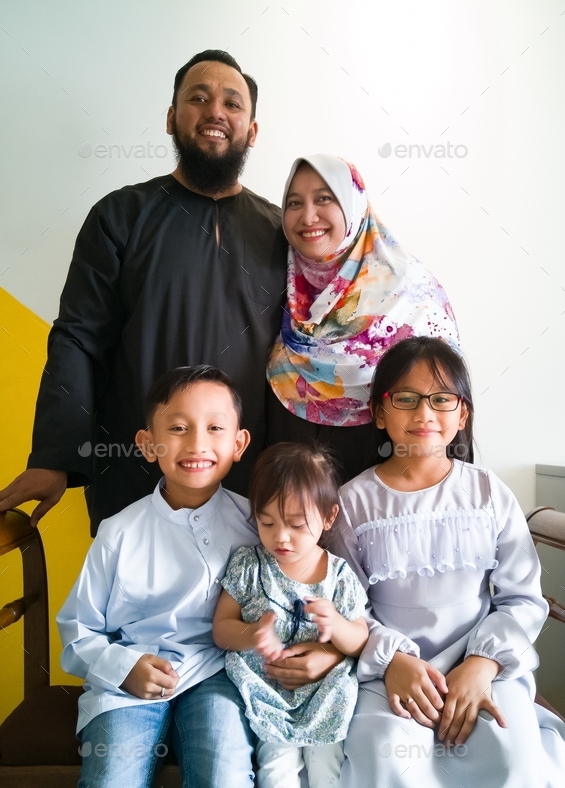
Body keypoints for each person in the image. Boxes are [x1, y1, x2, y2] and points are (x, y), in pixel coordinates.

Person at [0, 49, 287, 536]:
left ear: (252, 131)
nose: (215, 111)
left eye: (233, 104)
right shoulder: (120, 217)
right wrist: (55, 456)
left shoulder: (284, 234)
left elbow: (307, 360)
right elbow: (79, 338)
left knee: (244, 612)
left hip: (253, 487)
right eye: (198, 97)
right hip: (133, 477)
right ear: (171, 118)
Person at [332, 336, 565, 787]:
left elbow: (523, 598)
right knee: (387, 760)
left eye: (441, 399)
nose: (424, 414)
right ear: (380, 413)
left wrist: (482, 664)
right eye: (406, 399)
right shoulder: (353, 502)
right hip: (391, 673)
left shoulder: (487, 492)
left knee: (513, 761)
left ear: (462, 414)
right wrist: (393, 661)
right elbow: (347, 606)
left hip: (485, 667)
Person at [57, 365, 259, 787]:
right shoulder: (119, 531)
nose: (197, 443)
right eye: (179, 428)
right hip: (127, 677)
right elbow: (78, 632)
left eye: (215, 427)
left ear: (239, 443)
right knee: (110, 779)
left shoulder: (257, 525)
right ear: (148, 445)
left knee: (224, 775)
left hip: (217, 674)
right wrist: (123, 666)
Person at [266, 154, 459, 483]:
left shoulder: (411, 293)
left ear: (353, 206)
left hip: (390, 496)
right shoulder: (277, 286)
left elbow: (442, 408)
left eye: (324, 198)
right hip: (298, 508)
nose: (307, 216)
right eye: (294, 203)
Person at [212, 443, 368, 788]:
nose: (280, 537)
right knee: (276, 770)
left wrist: (338, 626)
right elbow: (221, 629)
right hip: (268, 693)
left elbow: (360, 638)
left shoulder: (339, 575)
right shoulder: (249, 565)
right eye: (266, 522)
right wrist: (252, 634)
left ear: (328, 517)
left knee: (329, 768)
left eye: (297, 525)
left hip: (326, 696)